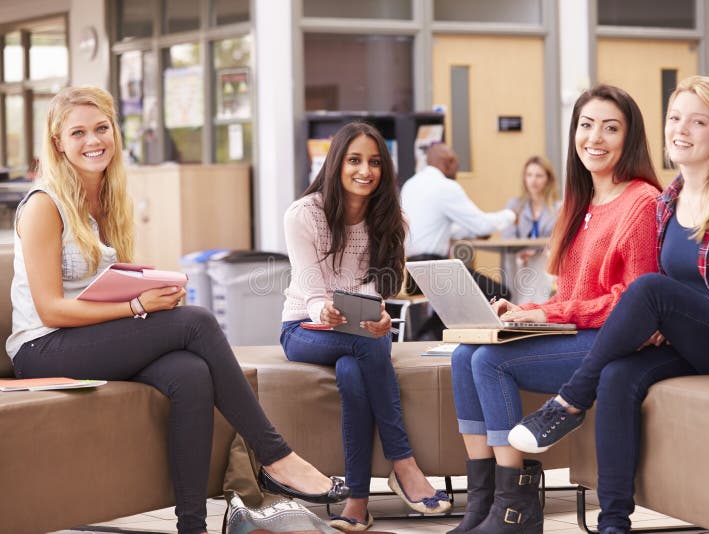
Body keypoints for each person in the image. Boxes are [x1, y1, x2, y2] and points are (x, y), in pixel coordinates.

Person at [6, 86, 349, 534]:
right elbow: (50, 309)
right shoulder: (43, 205)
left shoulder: (105, 201)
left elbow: (103, 286)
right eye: (78, 133)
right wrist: (136, 305)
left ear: (115, 132)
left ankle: (192, 527)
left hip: (83, 339)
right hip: (41, 348)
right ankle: (277, 457)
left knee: (190, 373)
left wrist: (152, 290)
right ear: (58, 143)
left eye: (102, 128)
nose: (93, 140)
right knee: (198, 323)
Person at [511, 76, 709, 534]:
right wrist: (674, 318)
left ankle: (567, 403)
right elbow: (669, 293)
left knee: (648, 290)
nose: (680, 129)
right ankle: (614, 524)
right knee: (617, 374)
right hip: (693, 340)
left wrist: (682, 312)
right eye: (674, 118)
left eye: (697, 121)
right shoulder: (669, 200)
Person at [447, 85, 662, 534]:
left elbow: (637, 303)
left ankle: (516, 508)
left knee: (490, 361)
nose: (595, 138)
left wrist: (547, 317)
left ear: (630, 138)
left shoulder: (640, 202)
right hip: (582, 333)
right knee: (465, 354)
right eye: (586, 125)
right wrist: (524, 309)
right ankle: (482, 505)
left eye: (610, 128)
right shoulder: (579, 204)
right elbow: (571, 295)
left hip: (618, 344)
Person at [280, 121, 451, 531]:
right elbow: (311, 288)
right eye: (354, 160)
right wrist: (328, 312)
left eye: (374, 162)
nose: (365, 171)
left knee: (354, 368)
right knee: (366, 346)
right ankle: (404, 463)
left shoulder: (391, 219)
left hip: (358, 335)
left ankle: (357, 503)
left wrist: (376, 315)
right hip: (304, 327)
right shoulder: (304, 214)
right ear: (337, 164)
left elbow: (378, 289)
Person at [401, 142, 514, 300]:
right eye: (457, 164)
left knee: (460, 302)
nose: (457, 170)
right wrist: (512, 215)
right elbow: (482, 226)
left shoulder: (410, 185)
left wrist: (474, 233)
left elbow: (441, 229)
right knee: (500, 293)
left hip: (411, 272)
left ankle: (433, 325)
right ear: (449, 162)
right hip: (436, 270)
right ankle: (434, 326)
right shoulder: (446, 187)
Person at [502, 155, 561, 303]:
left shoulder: (558, 207)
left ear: (548, 178)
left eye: (538, 175)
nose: (533, 180)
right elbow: (508, 237)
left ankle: (538, 307)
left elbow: (559, 239)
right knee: (510, 258)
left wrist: (535, 251)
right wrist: (522, 250)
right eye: (529, 175)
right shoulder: (514, 205)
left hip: (545, 260)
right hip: (520, 260)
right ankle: (516, 305)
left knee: (542, 261)